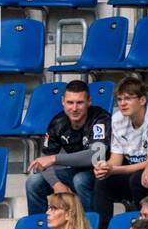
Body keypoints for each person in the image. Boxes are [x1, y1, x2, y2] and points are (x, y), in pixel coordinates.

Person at [25, 79, 112, 216]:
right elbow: (44, 160)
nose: (74, 108)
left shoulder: (100, 118)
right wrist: (56, 184)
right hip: (76, 171)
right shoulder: (58, 122)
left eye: (80, 102)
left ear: (89, 101)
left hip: (103, 171)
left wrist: (55, 159)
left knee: (80, 180)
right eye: (70, 102)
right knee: (34, 182)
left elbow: (96, 156)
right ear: (63, 102)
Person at [93, 75, 148, 229]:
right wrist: (105, 167)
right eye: (119, 99)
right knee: (102, 180)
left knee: (137, 179)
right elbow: (116, 159)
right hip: (135, 171)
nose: (122, 103)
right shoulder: (117, 119)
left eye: (128, 98)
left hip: (145, 173)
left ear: (142, 100)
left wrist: (116, 169)